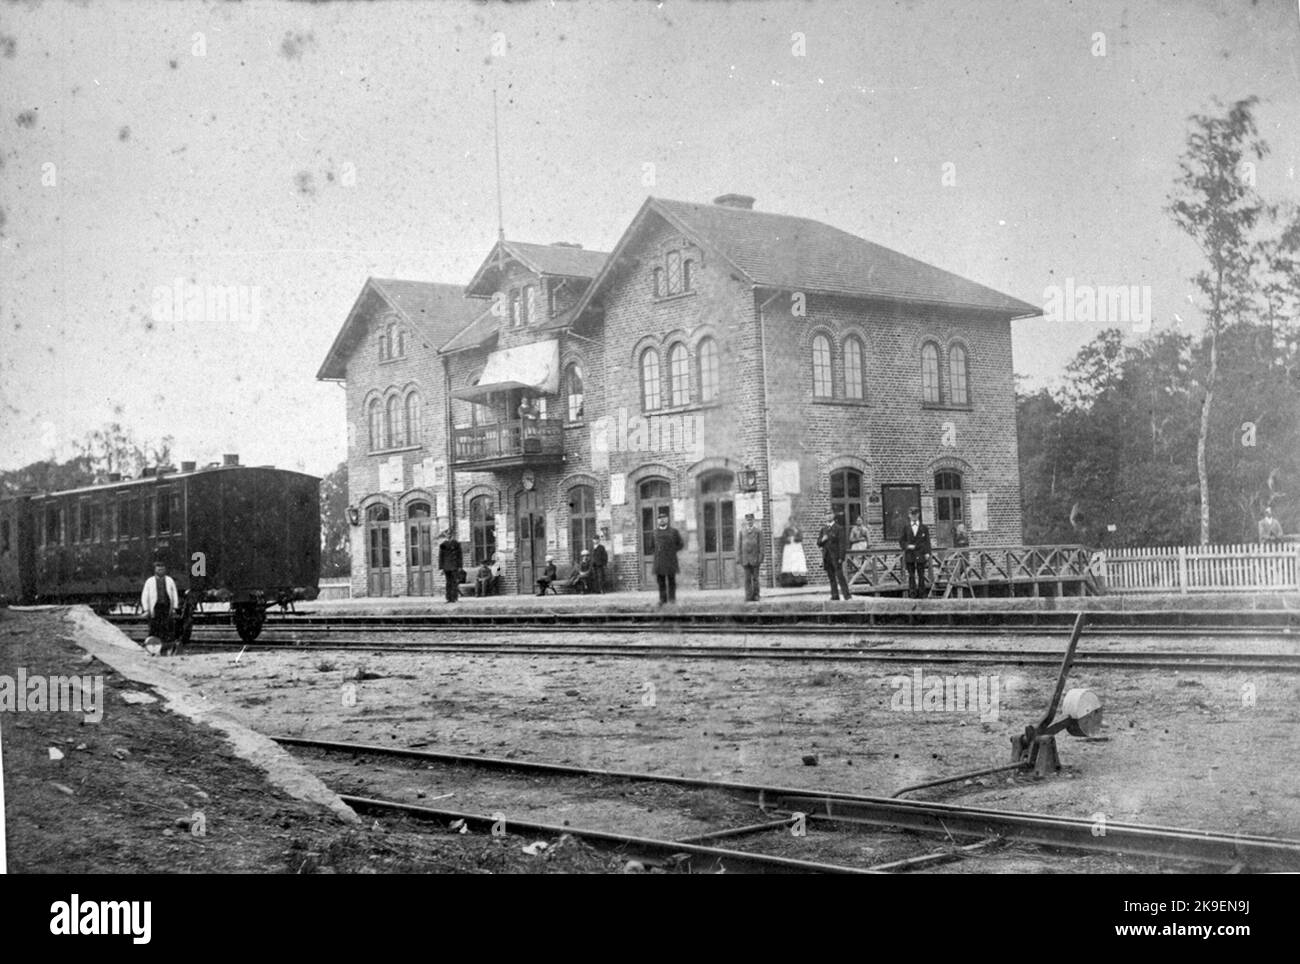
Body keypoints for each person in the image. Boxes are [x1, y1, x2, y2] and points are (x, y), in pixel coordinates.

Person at [140, 560, 179, 655]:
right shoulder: (149, 581)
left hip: (166, 607)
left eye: (162, 569)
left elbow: (174, 594)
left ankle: (165, 649)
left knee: (166, 628)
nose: (160, 571)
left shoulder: (169, 580)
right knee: (154, 629)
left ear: (165, 570)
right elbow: (145, 595)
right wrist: (146, 609)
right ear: (155, 570)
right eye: (159, 569)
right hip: (155, 608)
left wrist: (174, 607)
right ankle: (152, 649)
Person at [650, 510, 684, 605]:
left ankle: (672, 599)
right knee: (661, 582)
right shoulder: (654, 533)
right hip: (659, 560)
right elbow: (651, 547)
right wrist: (659, 553)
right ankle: (662, 599)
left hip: (670, 560)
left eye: (664, 518)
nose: (662, 520)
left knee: (671, 581)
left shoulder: (674, 532)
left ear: (667, 520)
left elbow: (680, 544)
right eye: (660, 519)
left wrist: (672, 551)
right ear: (657, 521)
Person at [816, 509, 851, 600]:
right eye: (827, 514)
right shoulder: (823, 529)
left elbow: (842, 544)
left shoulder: (839, 528)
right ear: (824, 517)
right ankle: (835, 595)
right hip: (827, 557)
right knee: (831, 577)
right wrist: (822, 540)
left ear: (833, 515)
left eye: (830, 514)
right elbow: (818, 542)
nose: (829, 516)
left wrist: (841, 557)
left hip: (836, 557)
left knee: (840, 576)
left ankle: (847, 596)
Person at [899, 506, 932, 598]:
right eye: (912, 514)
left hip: (921, 553)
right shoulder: (906, 527)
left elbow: (927, 541)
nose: (914, 516)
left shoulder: (924, 528)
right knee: (911, 575)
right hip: (910, 554)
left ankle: (922, 593)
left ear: (918, 515)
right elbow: (901, 541)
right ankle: (912, 593)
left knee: (921, 574)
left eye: (915, 514)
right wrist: (907, 546)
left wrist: (927, 553)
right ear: (909, 515)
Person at [736, 513, 763, 602]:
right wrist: (739, 558)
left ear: (753, 520)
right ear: (745, 521)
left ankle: (756, 595)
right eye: (748, 520)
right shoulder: (741, 531)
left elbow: (761, 545)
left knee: (755, 578)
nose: (749, 522)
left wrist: (760, 557)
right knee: (747, 579)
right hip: (745, 559)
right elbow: (739, 546)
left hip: (755, 558)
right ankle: (748, 596)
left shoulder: (758, 531)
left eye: (751, 520)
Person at [779, 521, 808, 587]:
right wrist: (788, 539)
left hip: (797, 549)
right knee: (789, 564)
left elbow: (801, 538)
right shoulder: (786, 530)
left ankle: (799, 582)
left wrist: (794, 538)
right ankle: (789, 582)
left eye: (794, 522)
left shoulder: (798, 530)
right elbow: (783, 539)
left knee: (798, 564)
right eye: (791, 522)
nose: (793, 523)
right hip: (789, 549)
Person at [438, 530, 463, 603]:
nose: (449, 536)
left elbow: (460, 556)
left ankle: (455, 598)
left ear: (453, 535)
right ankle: (448, 598)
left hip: (455, 566)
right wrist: (441, 568)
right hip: (446, 566)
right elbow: (441, 556)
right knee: (448, 583)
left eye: (450, 534)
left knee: (454, 582)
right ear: (445, 535)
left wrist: (460, 566)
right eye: (447, 534)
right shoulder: (443, 544)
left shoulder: (456, 544)